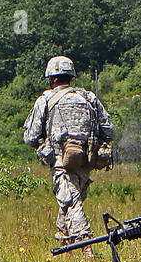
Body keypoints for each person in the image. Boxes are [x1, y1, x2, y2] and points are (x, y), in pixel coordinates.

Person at [23, 56, 115, 246]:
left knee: (71, 202)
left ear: (51, 78)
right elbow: (109, 131)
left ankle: (85, 245)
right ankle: (64, 242)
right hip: (87, 160)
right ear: (71, 76)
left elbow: (30, 137)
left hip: (61, 162)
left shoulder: (46, 100)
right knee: (71, 201)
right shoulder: (89, 98)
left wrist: (45, 143)